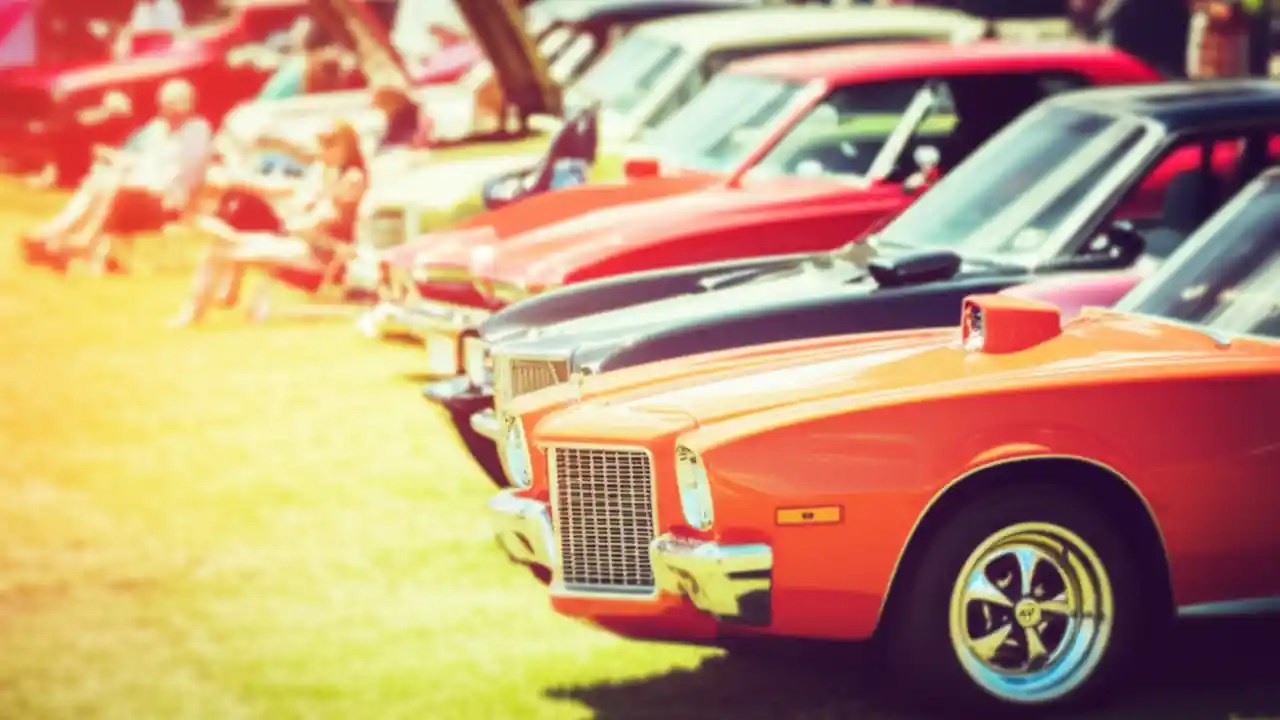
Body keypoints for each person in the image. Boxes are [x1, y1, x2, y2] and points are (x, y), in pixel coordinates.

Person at [171, 121, 369, 327]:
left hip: (320, 258)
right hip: (303, 248)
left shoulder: (351, 179)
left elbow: (321, 222)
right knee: (219, 247)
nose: (321, 152)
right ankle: (201, 309)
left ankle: (193, 316)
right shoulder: (331, 175)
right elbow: (299, 203)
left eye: (327, 145)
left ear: (345, 147)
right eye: (320, 145)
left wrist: (295, 220)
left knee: (219, 251)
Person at [22, 79, 213, 273]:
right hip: (136, 189)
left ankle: (79, 243)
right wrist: (112, 156)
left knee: (113, 184)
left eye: (172, 107)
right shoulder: (157, 127)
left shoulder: (197, 132)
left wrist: (131, 171)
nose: (167, 112)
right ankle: (54, 233)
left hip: (166, 201)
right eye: (165, 106)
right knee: (98, 180)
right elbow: (133, 155)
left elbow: (182, 176)